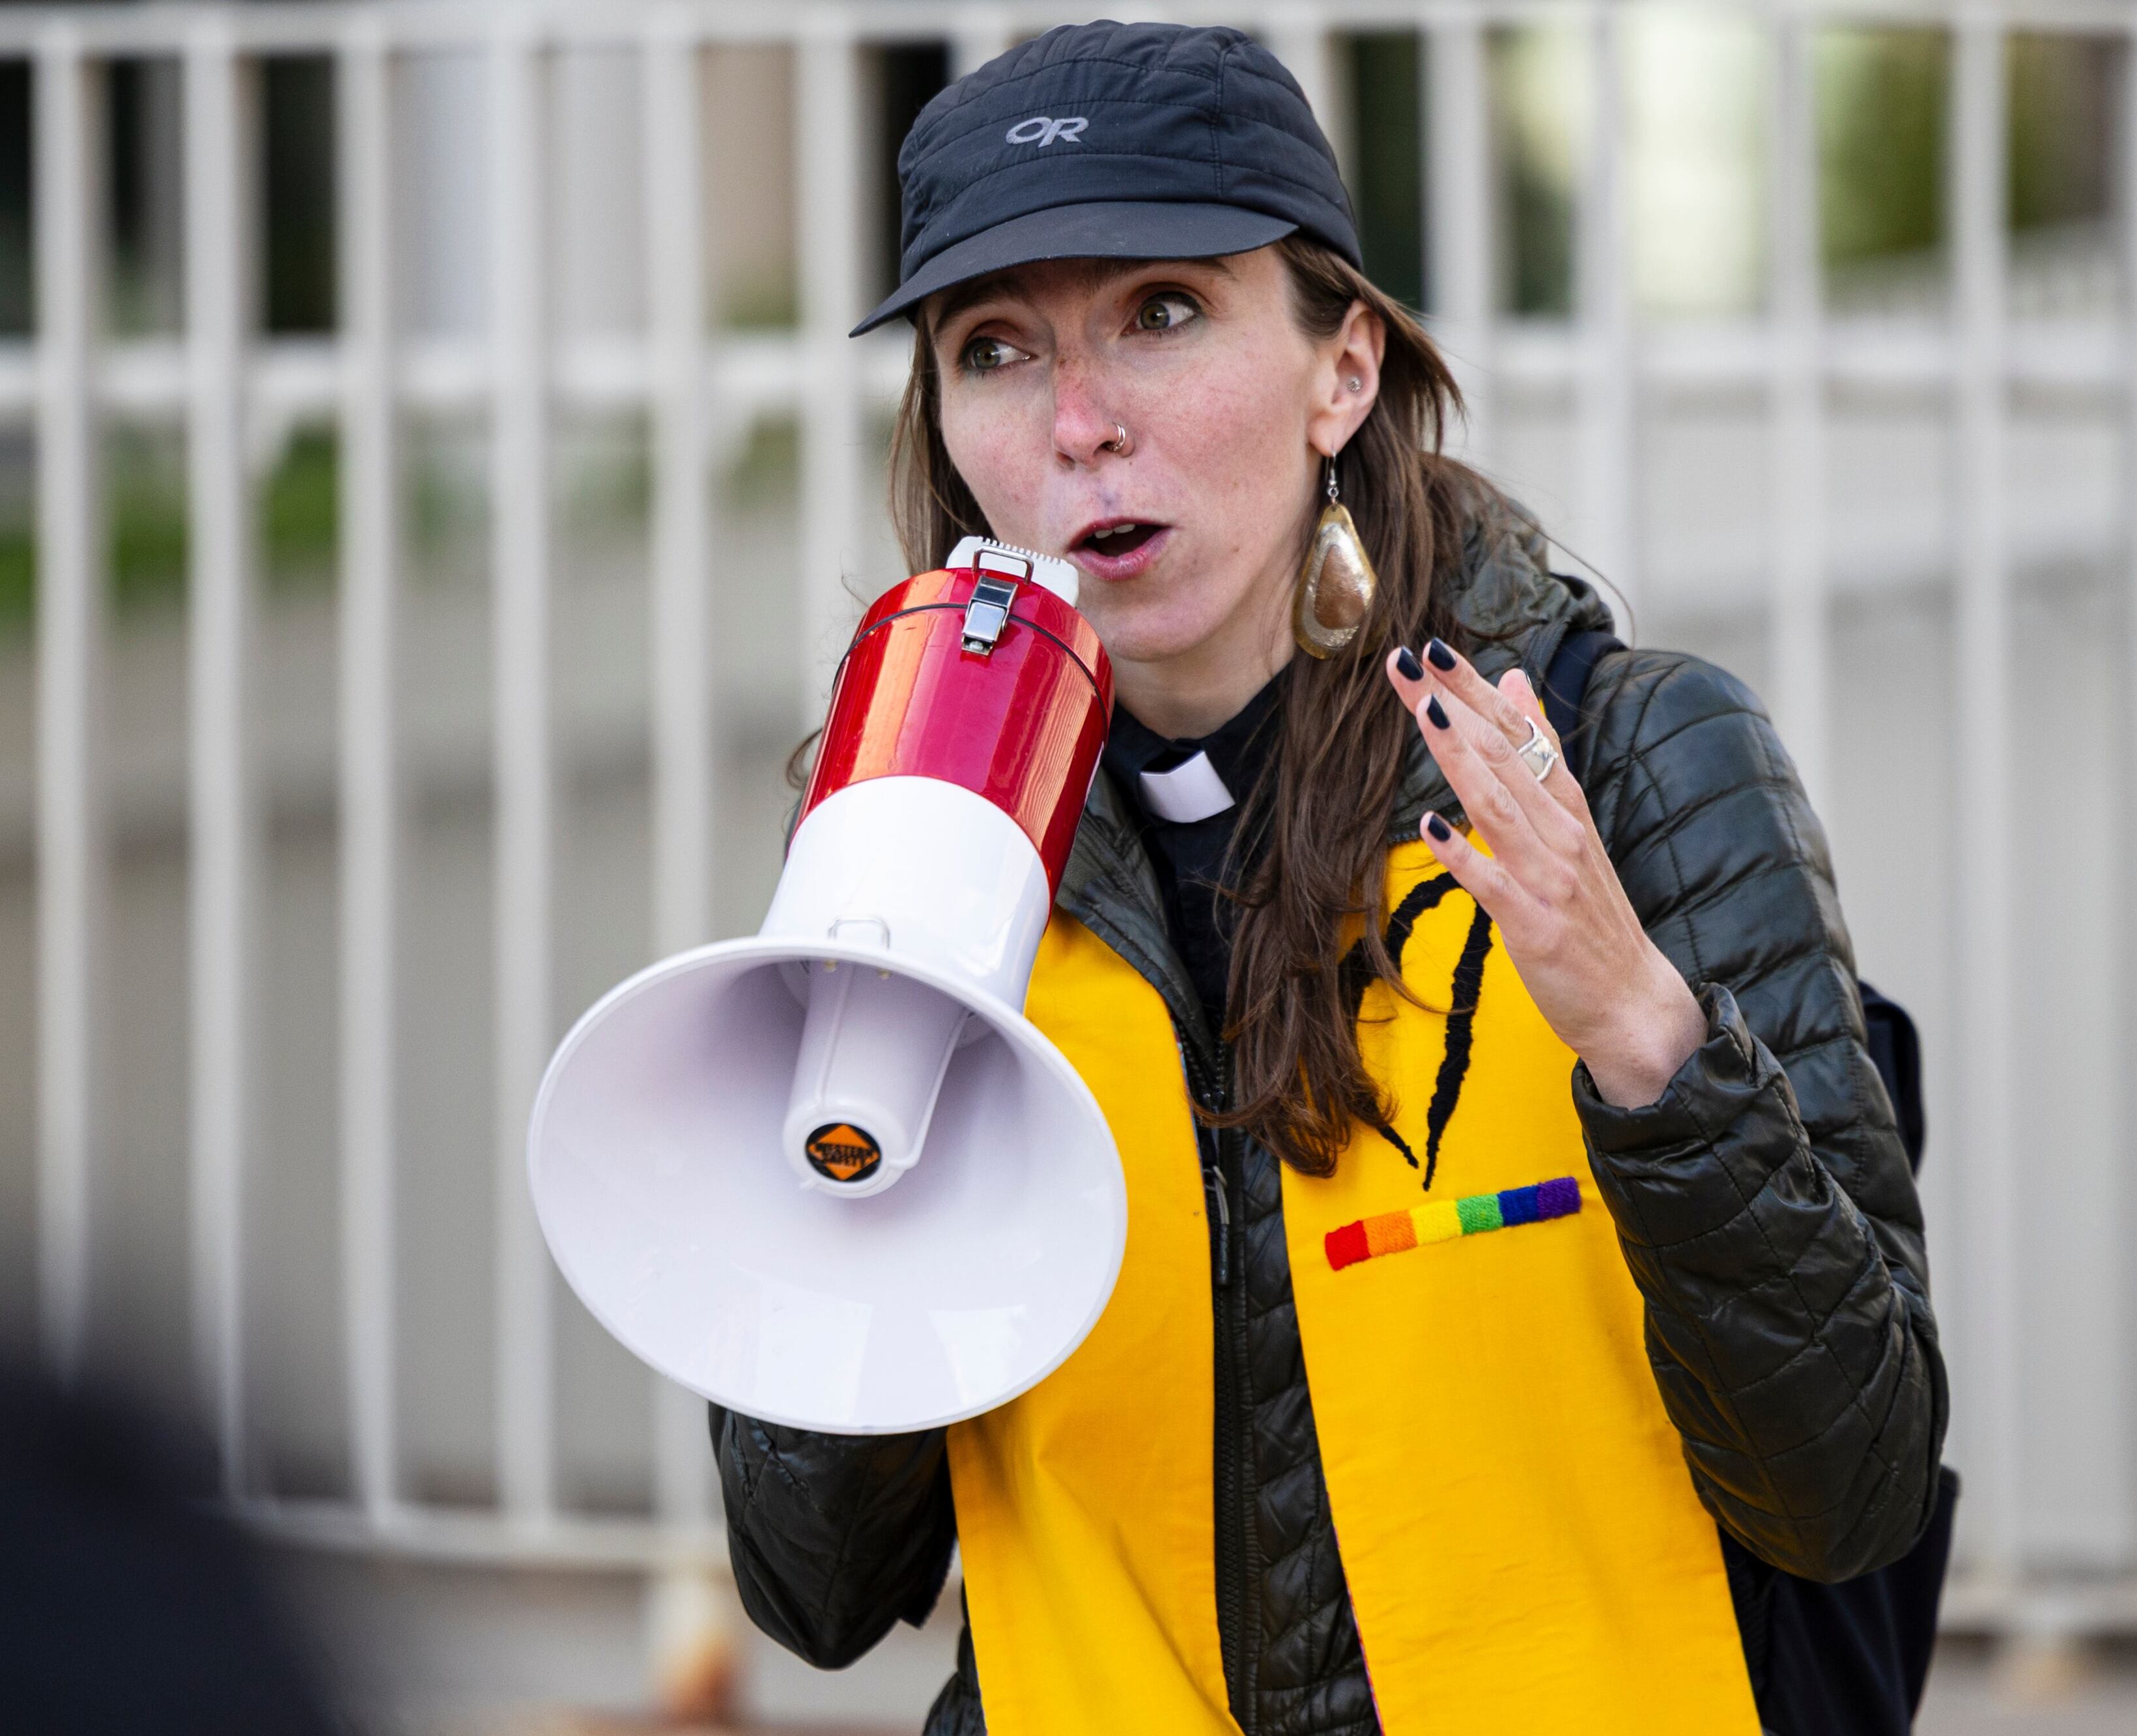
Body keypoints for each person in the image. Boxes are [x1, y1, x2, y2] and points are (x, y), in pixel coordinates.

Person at [708, 23, 1946, 1736]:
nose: (1079, 425)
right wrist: (839, 1167)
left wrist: (1651, 1046)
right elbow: (816, 1591)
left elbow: (1854, 1488)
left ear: (1342, 367)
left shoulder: (1636, 763)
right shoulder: (912, 857)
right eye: (996, 349)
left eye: (1161, 313)